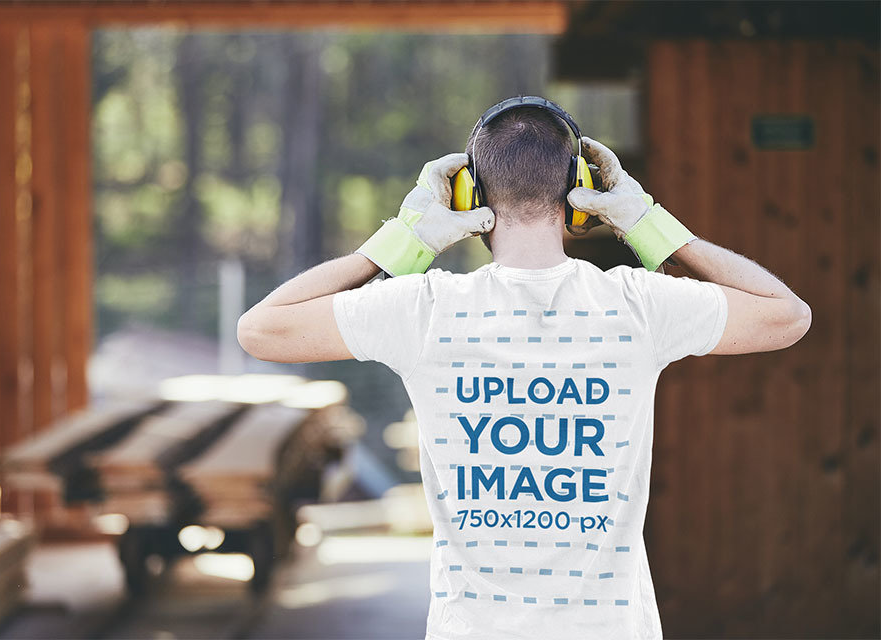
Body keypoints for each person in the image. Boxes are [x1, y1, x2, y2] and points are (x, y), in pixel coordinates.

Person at [236, 97, 811, 640]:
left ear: (469, 196)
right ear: (580, 191)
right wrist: (646, 223)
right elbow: (786, 316)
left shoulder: (423, 311)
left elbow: (260, 330)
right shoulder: (639, 305)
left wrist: (403, 242)